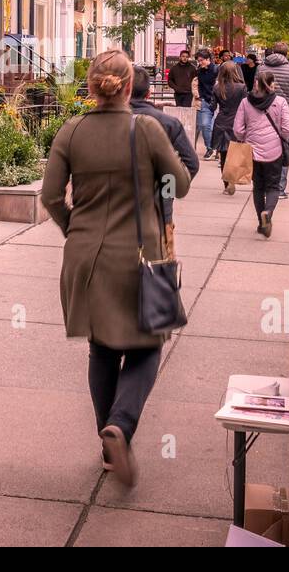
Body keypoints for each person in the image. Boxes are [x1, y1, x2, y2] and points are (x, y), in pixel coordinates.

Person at [42, 50, 192, 488]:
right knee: (148, 344)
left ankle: (107, 441)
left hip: (84, 257)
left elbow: (51, 196)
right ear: (129, 87)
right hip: (138, 256)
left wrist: (76, 228)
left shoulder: (71, 131)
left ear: (91, 87)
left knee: (102, 347)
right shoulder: (145, 130)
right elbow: (179, 183)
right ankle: (121, 425)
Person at [130, 66, 199, 257]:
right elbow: (191, 164)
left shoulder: (108, 121)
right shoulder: (168, 123)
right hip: (159, 202)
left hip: (116, 204)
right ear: (149, 92)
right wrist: (167, 188)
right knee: (159, 262)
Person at [232, 71, 289, 237]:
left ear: (256, 83)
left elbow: (238, 129)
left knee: (258, 187)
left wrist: (245, 138)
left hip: (252, 151)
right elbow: (288, 128)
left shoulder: (246, 102)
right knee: (273, 186)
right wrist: (282, 138)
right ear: (271, 83)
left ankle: (261, 223)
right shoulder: (280, 102)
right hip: (274, 151)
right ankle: (268, 212)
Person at [255, 42, 289, 200]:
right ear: (287, 54)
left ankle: (265, 183)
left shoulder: (261, 69)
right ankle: (279, 188)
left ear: (273, 52)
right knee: (284, 148)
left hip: (263, 112)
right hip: (287, 114)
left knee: (264, 147)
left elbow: (255, 91)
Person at [210, 61, 249, 194]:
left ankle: (227, 184)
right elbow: (246, 106)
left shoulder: (217, 88)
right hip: (237, 122)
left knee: (223, 155)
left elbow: (212, 107)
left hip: (221, 122)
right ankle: (233, 179)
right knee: (236, 153)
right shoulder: (241, 87)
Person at [194, 49, 218, 159]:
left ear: (208, 59)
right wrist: (202, 96)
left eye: (201, 60)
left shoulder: (216, 70)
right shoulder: (199, 71)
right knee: (205, 125)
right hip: (205, 101)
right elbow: (200, 85)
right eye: (198, 61)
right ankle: (210, 148)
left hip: (217, 101)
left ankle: (217, 149)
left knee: (214, 127)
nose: (200, 62)